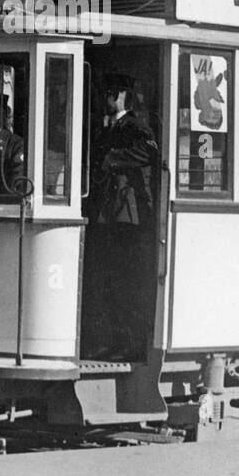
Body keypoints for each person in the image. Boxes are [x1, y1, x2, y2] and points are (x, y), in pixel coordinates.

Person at [86, 73, 160, 359]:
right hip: (111, 214)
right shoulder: (110, 128)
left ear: (119, 96)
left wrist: (113, 160)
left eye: (108, 94)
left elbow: (150, 151)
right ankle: (114, 342)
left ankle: (128, 344)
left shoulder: (135, 127)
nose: (105, 100)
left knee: (126, 281)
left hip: (129, 216)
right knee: (111, 282)